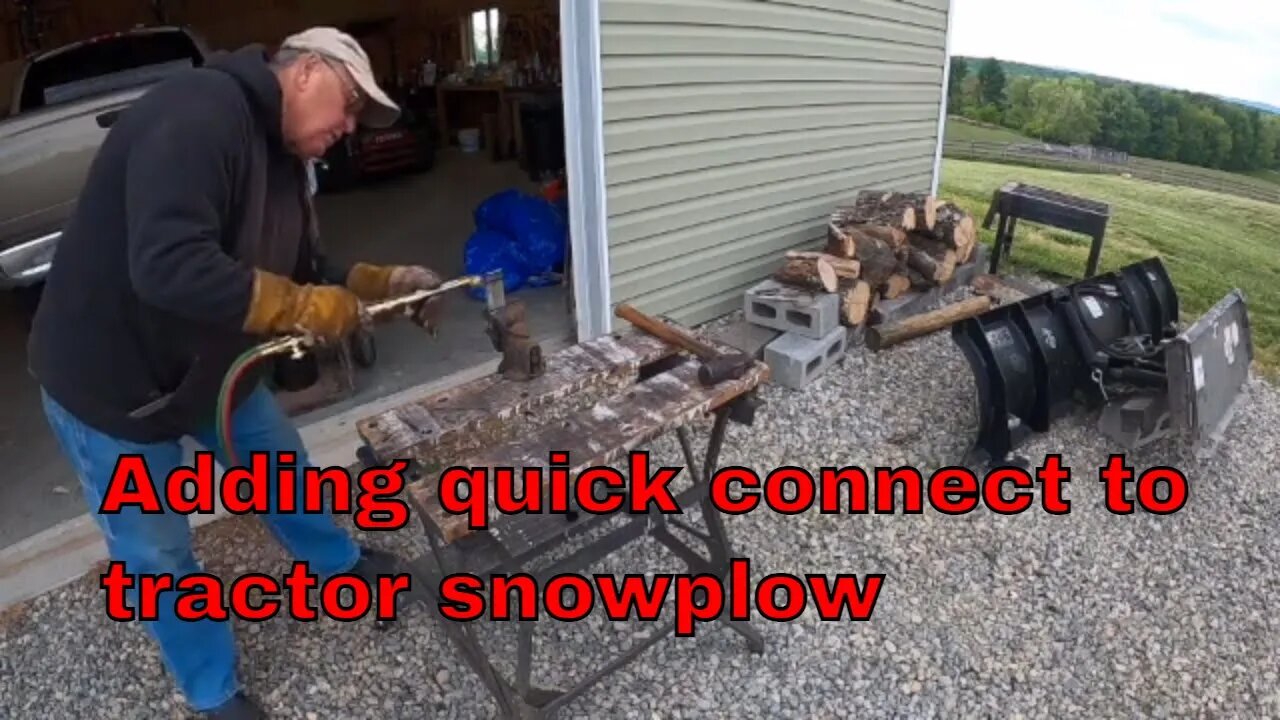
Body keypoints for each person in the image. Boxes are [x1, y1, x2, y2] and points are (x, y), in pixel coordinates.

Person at [26, 27, 442, 719]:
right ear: (306, 71)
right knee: (157, 550)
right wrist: (301, 306)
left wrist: (377, 284)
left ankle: (337, 565)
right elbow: (168, 265)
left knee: (282, 468)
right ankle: (212, 690)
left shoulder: (285, 159)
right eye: (347, 105)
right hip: (112, 382)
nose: (348, 127)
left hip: (211, 366)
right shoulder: (199, 112)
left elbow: (303, 268)